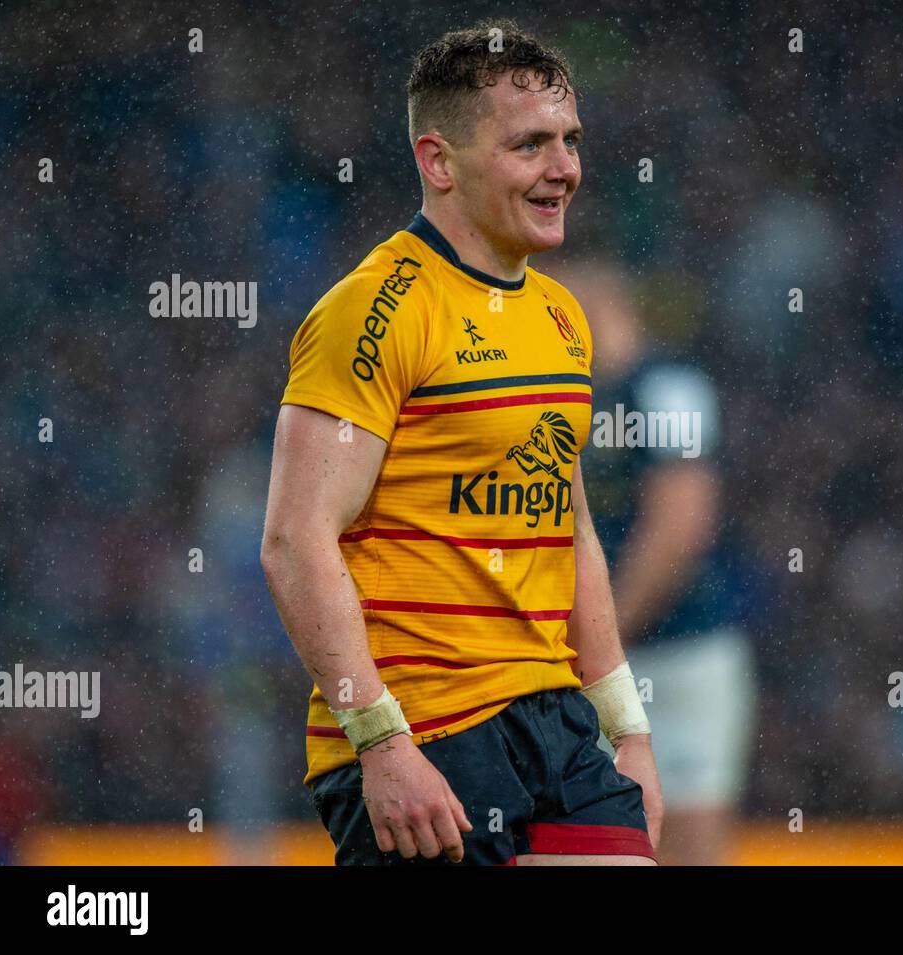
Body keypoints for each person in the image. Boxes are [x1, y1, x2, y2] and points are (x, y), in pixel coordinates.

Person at [259, 20, 662, 866]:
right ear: (439, 162)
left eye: (569, 141)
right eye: (530, 145)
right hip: (426, 730)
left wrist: (628, 728)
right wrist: (379, 740)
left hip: (554, 722)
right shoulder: (374, 311)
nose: (565, 169)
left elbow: (571, 531)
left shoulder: (561, 317)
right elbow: (296, 539)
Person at [555, 262, 756, 865]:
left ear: (606, 291)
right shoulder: (559, 397)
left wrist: (600, 640)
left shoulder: (669, 385)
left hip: (678, 656)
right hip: (592, 661)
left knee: (687, 842)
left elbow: (679, 527)